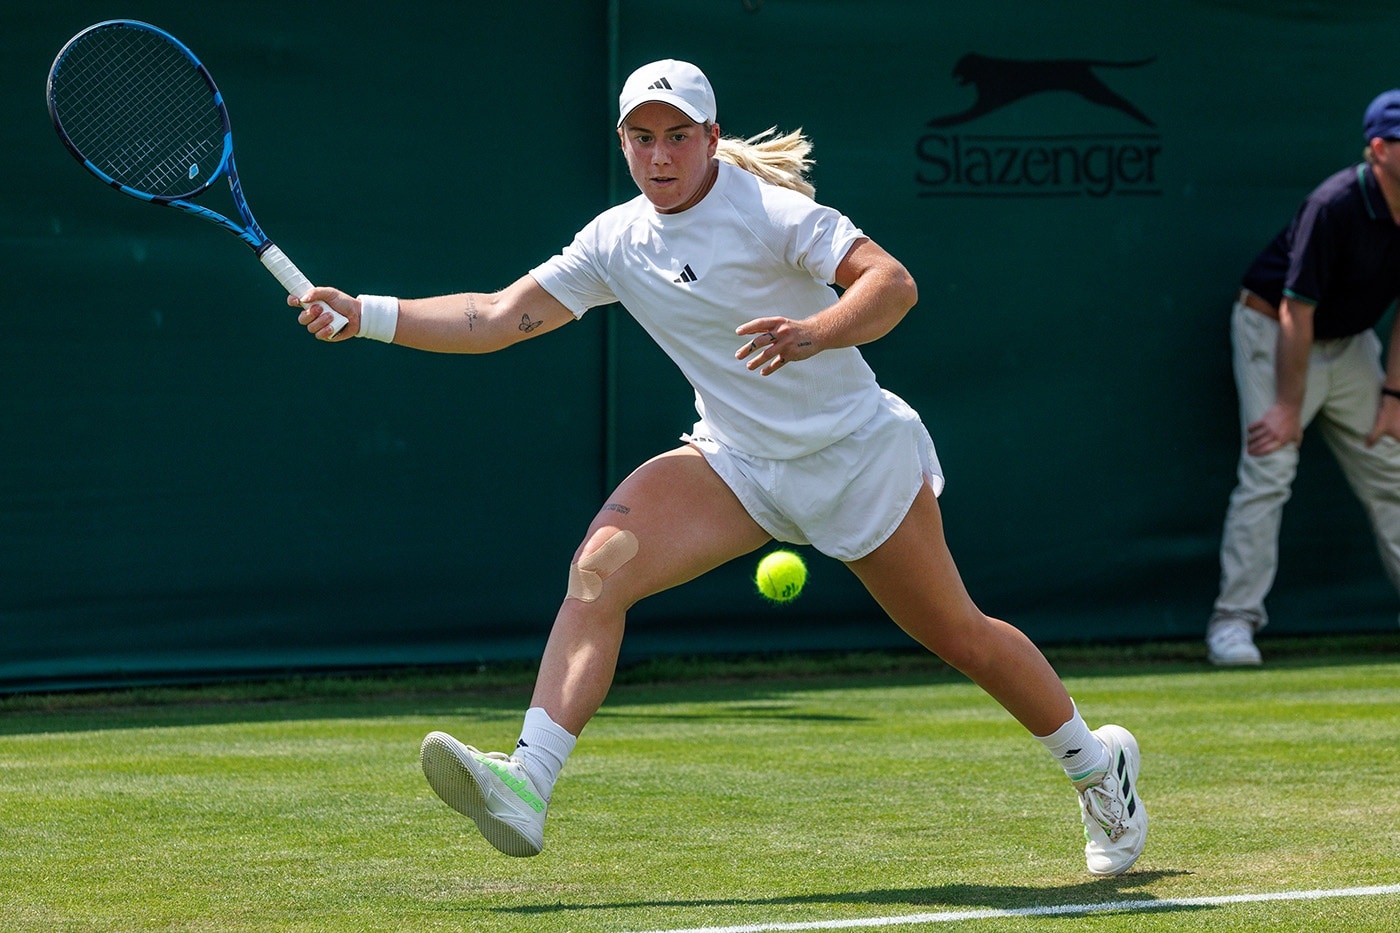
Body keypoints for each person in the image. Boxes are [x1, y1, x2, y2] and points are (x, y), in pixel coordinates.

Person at [292, 59, 1148, 875]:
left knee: (960, 636)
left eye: (677, 135)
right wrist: (364, 313)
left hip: (852, 455)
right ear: (622, 142)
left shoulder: (770, 212)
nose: (658, 156)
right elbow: (494, 315)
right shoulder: (615, 240)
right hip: (736, 460)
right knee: (599, 569)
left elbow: (893, 283)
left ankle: (1098, 773)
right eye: (640, 137)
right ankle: (526, 781)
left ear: (710, 136)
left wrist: (813, 331)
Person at [1206, 88, 1400, 667]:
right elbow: (1296, 310)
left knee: (1393, 463)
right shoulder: (1334, 204)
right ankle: (1232, 625)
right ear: (1378, 150)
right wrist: (1288, 408)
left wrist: (1393, 395)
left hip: (1353, 347)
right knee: (1269, 469)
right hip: (1275, 333)